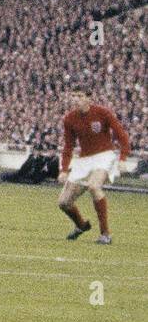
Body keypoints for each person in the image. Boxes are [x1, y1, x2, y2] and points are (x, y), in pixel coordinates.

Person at [58, 89, 130, 244]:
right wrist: (64, 170)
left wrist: (123, 158)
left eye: (80, 96)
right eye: (73, 96)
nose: (76, 99)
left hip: (104, 156)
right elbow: (68, 147)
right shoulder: (69, 119)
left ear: (89, 98)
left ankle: (105, 234)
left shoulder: (103, 113)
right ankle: (81, 225)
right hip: (84, 160)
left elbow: (121, 135)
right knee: (63, 203)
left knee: (93, 186)